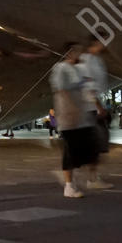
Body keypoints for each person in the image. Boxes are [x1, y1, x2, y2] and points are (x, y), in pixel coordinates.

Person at [50, 43, 99, 198]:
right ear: (70, 53)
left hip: (81, 117)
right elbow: (61, 90)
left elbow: (85, 88)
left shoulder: (78, 69)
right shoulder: (60, 69)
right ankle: (69, 186)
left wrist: (91, 105)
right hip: (68, 116)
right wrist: (74, 108)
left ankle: (78, 181)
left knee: (83, 149)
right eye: (77, 51)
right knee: (70, 151)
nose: (80, 54)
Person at [79, 38, 113, 187]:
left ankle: (92, 176)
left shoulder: (97, 60)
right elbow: (88, 86)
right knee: (97, 143)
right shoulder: (86, 61)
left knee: (98, 143)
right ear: (97, 43)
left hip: (93, 107)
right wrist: (99, 106)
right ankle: (92, 178)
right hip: (90, 108)